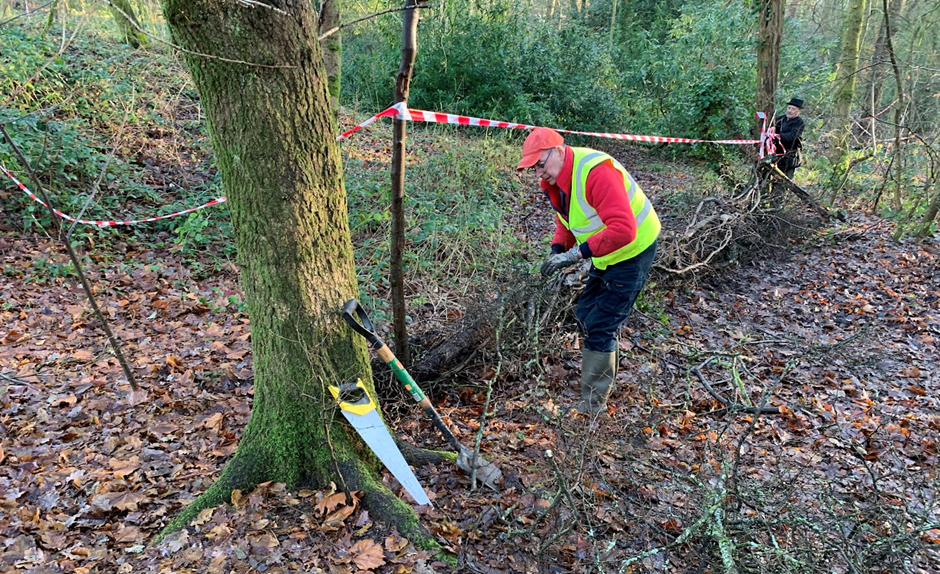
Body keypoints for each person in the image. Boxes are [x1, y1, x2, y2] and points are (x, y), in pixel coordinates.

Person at [517, 127, 660, 415]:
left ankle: (592, 406)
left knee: (600, 325)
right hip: (605, 254)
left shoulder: (596, 172)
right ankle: (602, 368)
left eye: (540, 165)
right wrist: (558, 250)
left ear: (558, 151)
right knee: (585, 315)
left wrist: (574, 255)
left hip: (633, 251)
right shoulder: (555, 182)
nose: (538, 174)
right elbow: (567, 221)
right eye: (533, 168)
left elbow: (623, 230)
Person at [773, 97, 806, 180]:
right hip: (775, 155)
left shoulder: (799, 123)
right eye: (789, 108)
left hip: (790, 157)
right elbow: (768, 128)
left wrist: (777, 136)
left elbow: (792, 136)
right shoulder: (779, 119)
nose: (789, 111)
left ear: (799, 111)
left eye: (793, 109)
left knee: (784, 182)